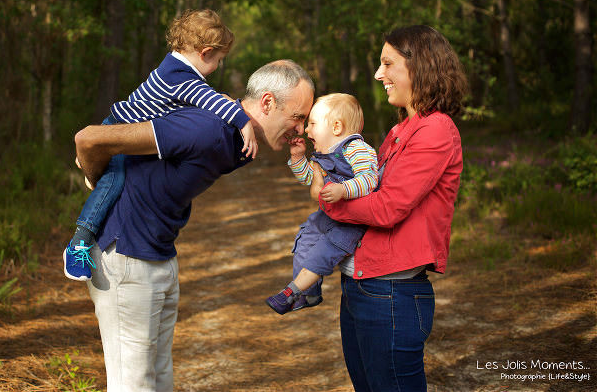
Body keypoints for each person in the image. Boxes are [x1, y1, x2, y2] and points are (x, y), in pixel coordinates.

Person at [74, 59, 314, 392]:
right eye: (297, 117)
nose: (301, 129)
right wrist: (100, 183)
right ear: (268, 102)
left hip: (159, 254)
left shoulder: (240, 142)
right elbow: (89, 139)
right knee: (133, 384)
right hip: (126, 255)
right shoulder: (208, 129)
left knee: (159, 379)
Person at [319, 25, 468, 392]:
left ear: (420, 66)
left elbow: (387, 207)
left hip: (390, 293)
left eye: (388, 64)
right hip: (362, 283)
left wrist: (332, 203)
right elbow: (366, 187)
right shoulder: (401, 130)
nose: (378, 74)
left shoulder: (435, 130)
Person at [64, 9, 258, 281]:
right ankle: (79, 242)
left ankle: (94, 175)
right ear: (205, 53)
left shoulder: (176, 68)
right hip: (119, 130)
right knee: (113, 184)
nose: (218, 66)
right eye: (219, 59)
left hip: (128, 131)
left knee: (117, 182)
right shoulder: (180, 76)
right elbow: (209, 100)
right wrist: (244, 122)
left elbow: (207, 100)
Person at [266, 93, 378, 314]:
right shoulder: (322, 156)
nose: (306, 130)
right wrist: (298, 158)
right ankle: (310, 293)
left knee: (323, 252)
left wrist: (343, 189)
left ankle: (291, 292)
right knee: (304, 242)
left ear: (336, 127)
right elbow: (309, 178)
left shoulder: (357, 149)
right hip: (326, 216)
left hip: (350, 221)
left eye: (313, 124)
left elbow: (369, 179)